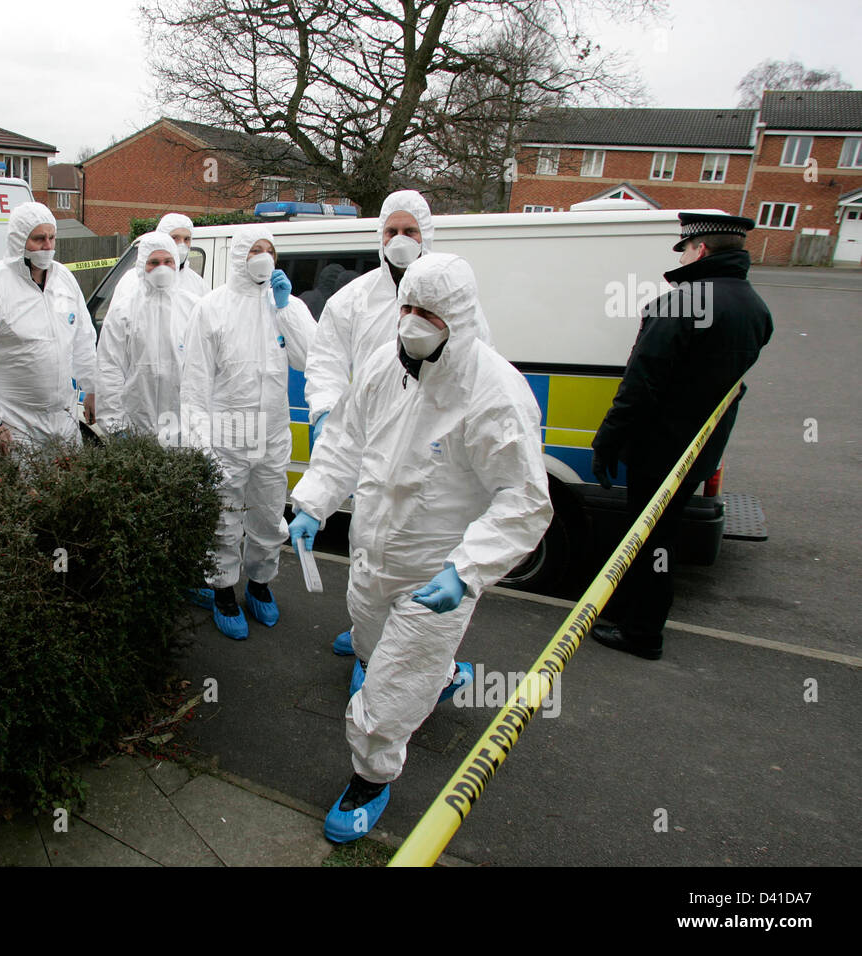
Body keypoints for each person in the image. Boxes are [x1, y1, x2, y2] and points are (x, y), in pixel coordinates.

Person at [288, 252, 552, 843]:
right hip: (372, 553)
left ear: (458, 317)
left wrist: (467, 569)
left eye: (427, 312)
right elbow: (346, 440)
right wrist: (312, 503)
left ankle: (370, 777)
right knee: (366, 640)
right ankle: (442, 673)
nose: (410, 320)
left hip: (436, 576)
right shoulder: (386, 362)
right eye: (406, 305)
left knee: (391, 691)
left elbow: (524, 500)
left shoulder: (494, 394)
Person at [590, 213, 773, 660]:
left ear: (701, 250)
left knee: (650, 540)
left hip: (659, 450)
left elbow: (640, 385)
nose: (684, 255)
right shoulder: (754, 307)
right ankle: (631, 615)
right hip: (700, 450)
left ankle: (642, 633)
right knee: (659, 537)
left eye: (685, 249)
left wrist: (608, 441)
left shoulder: (679, 304)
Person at [304, 189, 440, 658]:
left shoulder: (447, 294)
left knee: (413, 551)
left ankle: (405, 654)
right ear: (379, 236)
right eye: (392, 231)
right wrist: (325, 412)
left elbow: (472, 365)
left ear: (428, 235)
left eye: (410, 231)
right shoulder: (355, 299)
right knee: (366, 541)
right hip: (368, 441)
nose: (400, 240)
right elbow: (324, 360)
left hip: (426, 447)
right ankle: (367, 631)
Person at [181, 224, 315, 639]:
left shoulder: (284, 305)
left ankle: (259, 584)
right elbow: (195, 381)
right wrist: (199, 444)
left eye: (269, 250)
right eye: (255, 249)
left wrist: (287, 308)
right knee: (224, 518)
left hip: (273, 432)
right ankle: (223, 590)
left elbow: (311, 356)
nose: (263, 256)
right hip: (228, 433)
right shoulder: (212, 307)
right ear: (241, 255)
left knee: (269, 515)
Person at [0, 201, 97, 451]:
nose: (48, 246)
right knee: (26, 489)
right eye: (39, 239)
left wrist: (93, 388)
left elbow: (83, 340)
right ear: (19, 241)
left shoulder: (64, 280)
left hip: (63, 416)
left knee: (70, 486)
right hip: (16, 421)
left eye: (52, 237)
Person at [95, 231, 199, 444]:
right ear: (142, 265)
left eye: (168, 261)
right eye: (154, 262)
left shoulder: (194, 308)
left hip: (184, 427)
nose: (162, 267)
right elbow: (109, 370)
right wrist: (116, 426)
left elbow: (205, 370)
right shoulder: (123, 312)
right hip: (136, 426)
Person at [112, 213, 209, 307]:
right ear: (161, 238)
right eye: (175, 238)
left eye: (187, 239)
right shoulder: (132, 279)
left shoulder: (197, 283)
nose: (182, 244)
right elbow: (117, 318)